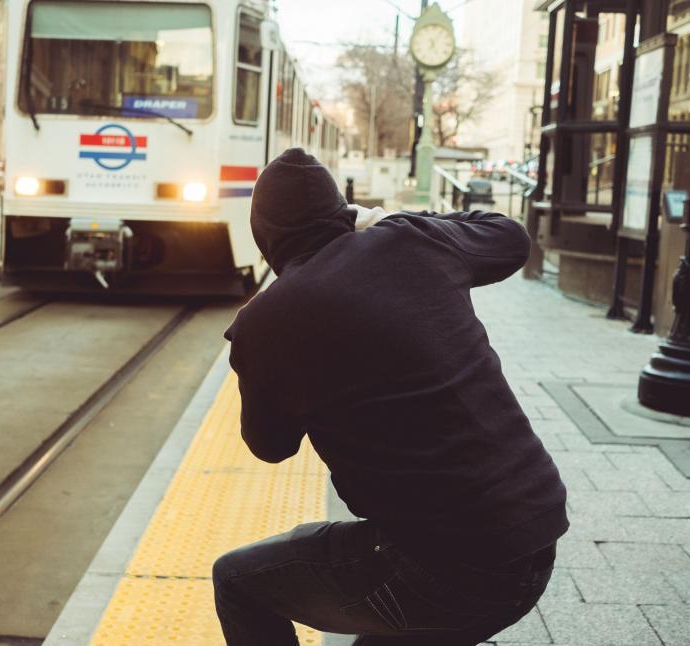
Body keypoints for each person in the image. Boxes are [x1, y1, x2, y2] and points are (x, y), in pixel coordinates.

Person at [213, 148, 568, 645]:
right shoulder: (409, 242)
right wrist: (382, 221)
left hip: (436, 566)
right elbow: (509, 236)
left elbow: (270, 445)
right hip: (535, 536)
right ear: (344, 215)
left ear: (265, 238)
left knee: (237, 581)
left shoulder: (264, 321)